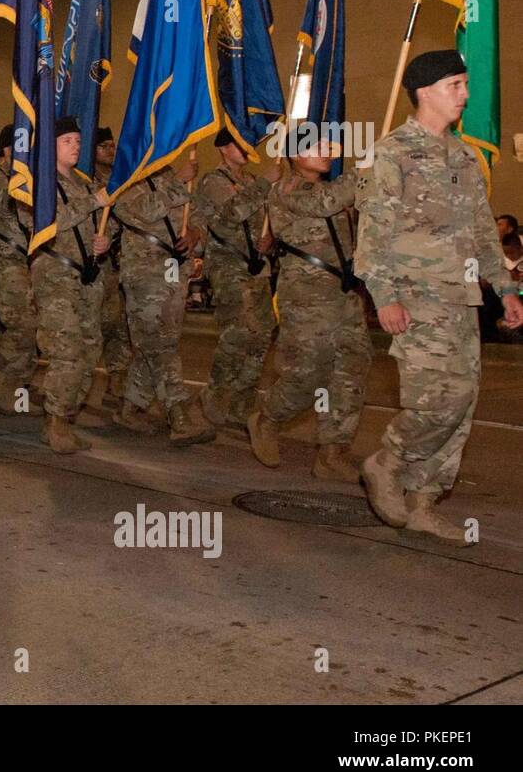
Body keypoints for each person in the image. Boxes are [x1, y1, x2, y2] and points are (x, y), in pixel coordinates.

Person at [355, 50, 523, 545]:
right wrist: (384, 296)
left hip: (462, 298)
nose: (466, 94)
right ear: (425, 91)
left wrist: (506, 288)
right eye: (456, 85)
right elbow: (372, 234)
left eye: (465, 84)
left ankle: (424, 502)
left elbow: (483, 232)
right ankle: (388, 460)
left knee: (463, 403)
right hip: (416, 297)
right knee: (437, 402)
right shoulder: (390, 154)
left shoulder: (465, 156)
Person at [247, 143, 371, 480]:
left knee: (350, 371)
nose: (328, 152)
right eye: (318, 147)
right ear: (295, 155)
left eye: (329, 146)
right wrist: (364, 170)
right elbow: (324, 202)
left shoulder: (334, 190)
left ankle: (332, 452)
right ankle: (267, 418)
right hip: (306, 296)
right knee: (307, 373)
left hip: (344, 293)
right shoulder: (286, 189)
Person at [111, 151, 215, 445]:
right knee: (159, 343)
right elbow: (140, 211)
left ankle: (130, 407)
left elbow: (198, 215)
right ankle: (178, 415)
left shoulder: (172, 176)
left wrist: (195, 234)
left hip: (175, 272)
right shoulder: (127, 178)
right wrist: (178, 182)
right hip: (144, 271)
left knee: (158, 340)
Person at [21, 116, 110, 452]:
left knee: (89, 349)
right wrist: (94, 202)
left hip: (87, 276)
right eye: (66, 141)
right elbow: (50, 221)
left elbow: (95, 227)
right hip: (55, 275)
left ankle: (66, 415)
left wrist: (103, 242)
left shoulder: (84, 184)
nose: (75, 147)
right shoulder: (38, 183)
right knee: (66, 350)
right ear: (50, 146)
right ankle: (55, 420)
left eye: (77, 140)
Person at [194, 128, 277, 431]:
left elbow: (267, 218)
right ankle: (216, 393)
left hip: (257, 267)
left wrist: (270, 237)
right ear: (223, 149)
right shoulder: (214, 181)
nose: (245, 149)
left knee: (261, 334)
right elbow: (232, 214)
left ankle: (243, 400)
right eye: (238, 144)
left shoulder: (253, 181)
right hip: (229, 265)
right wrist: (266, 183)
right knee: (238, 332)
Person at [0, 123, 39, 413]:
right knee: (22, 324)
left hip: (33, 260)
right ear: (6, 150)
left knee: (29, 324)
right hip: (6, 257)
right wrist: (17, 182)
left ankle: (21, 386)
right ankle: (9, 390)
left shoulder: (34, 178)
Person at [90, 127, 131, 406]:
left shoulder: (122, 179)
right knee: (98, 322)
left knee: (118, 323)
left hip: (119, 259)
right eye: (103, 146)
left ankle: (117, 377)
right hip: (97, 260)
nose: (110, 150)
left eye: (112, 145)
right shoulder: (87, 181)